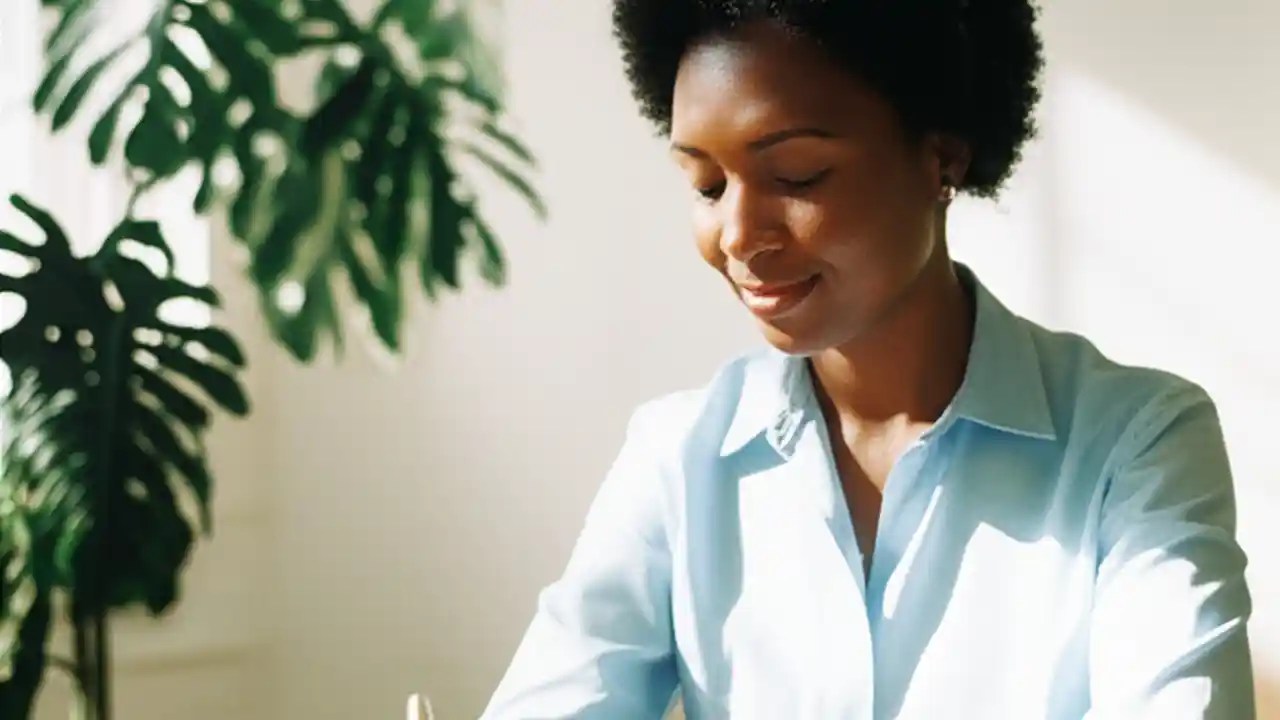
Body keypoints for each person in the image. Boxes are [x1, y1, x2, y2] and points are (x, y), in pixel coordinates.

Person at [483, 1, 1255, 718]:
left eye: (796, 176)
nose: (738, 234)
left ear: (942, 158)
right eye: (708, 185)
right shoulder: (677, 458)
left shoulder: (1135, 445)